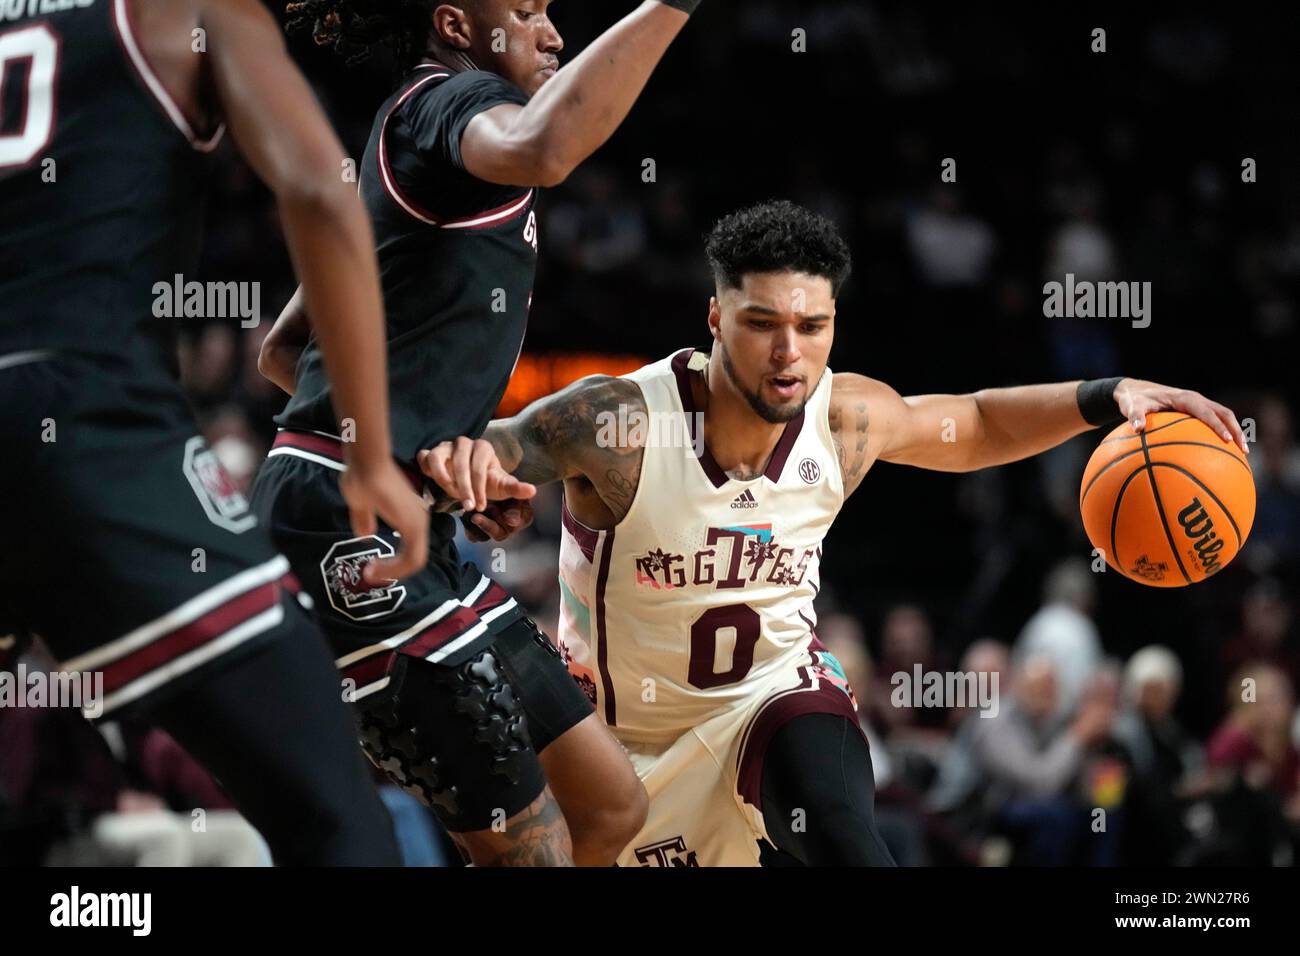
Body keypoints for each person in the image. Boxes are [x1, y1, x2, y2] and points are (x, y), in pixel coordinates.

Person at [423, 199, 1248, 865]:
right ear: (715, 317)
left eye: (812, 326)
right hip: (621, 747)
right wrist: (471, 470)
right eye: (762, 323)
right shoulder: (620, 423)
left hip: (771, 700)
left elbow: (973, 421)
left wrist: (1109, 392)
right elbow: (496, 447)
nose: (790, 351)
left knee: (847, 833)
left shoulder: (844, 419)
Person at [255, 0, 705, 865]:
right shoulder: (442, 106)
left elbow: (286, 350)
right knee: (524, 854)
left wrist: (442, 461)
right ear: (456, 25)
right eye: (528, 10)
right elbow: (547, 144)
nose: (554, 32)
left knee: (611, 809)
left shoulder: (412, 144)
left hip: (389, 510)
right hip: (342, 519)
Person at [0, 0, 438, 863]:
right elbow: (318, 187)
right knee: (336, 815)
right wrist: (368, 446)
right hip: (85, 422)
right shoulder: (193, 13)